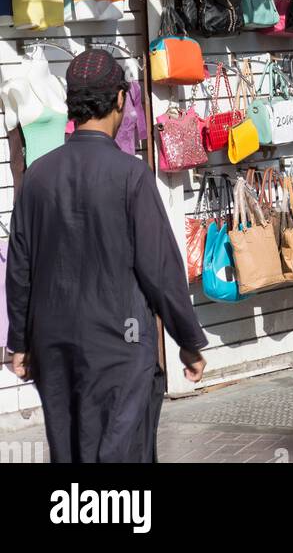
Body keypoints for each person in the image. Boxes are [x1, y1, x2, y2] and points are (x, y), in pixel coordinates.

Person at [5, 49, 207, 463]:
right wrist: (188, 340)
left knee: (69, 452)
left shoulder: (37, 177)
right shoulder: (130, 175)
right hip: (120, 343)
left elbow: (20, 267)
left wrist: (20, 343)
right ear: (119, 100)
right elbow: (160, 268)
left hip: (53, 344)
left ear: (71, 104)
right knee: (121, 452)